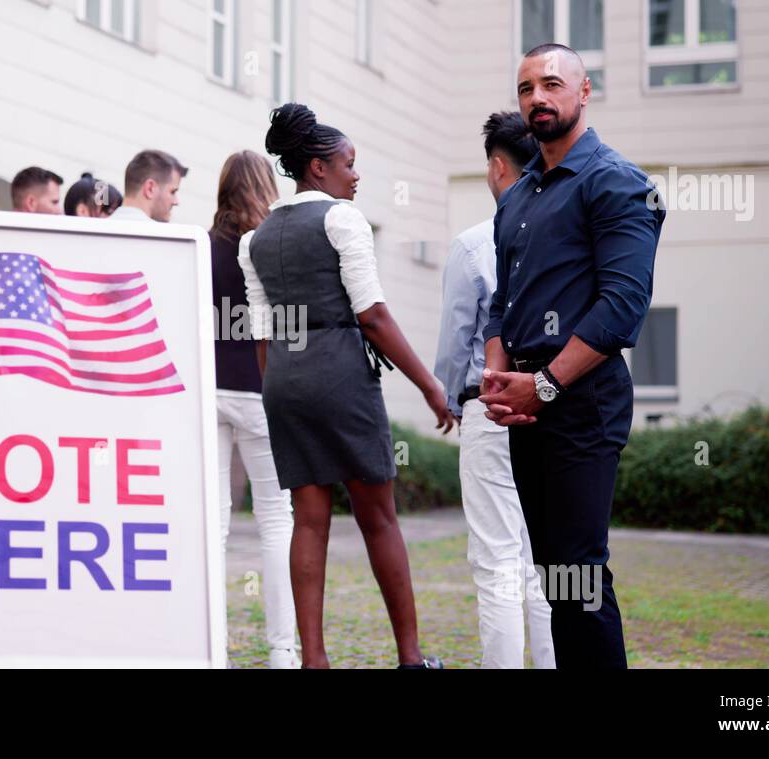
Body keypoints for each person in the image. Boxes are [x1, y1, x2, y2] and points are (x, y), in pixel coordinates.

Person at [239, 103, 456, 669]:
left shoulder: (255, 239)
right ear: (317, 168)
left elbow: (262, 335)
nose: (355, 176)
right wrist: (431, 385)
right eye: (348, 164)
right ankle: (410, 658)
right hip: (340, 373)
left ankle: (314, 660)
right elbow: (374, 316)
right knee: (377, 516)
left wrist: (280, 393)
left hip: (284, 379)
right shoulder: (342, 220)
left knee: (307, 519)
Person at [479, 44, 666, 669]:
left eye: (552, 84)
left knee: (580, 574)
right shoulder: (521, 195)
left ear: (584, 93)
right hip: (529, 406)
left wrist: (547, 385)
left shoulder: (616, 181)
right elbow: (503, 302)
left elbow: (622, 307)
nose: (537, 98)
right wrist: (503, 376)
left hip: (582, 401)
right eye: (526, 88)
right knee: (556, 574)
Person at [434, 111, 555, 669]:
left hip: (489, 405)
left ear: (498, 167)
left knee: (497, 558)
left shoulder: (472, 245)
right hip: (551, 400)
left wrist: (450, 398)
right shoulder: (564, 238)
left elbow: (456, 339)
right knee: (545, 562)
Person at [209, 151, 298, 669]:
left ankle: (213, 646)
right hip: (262, 389)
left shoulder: (202, 245)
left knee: (214, 524)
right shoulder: (272, 245)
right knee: (275, 521)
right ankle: (282, 651)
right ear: (265, 184)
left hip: (210, 391)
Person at [110, 150, 187, 222]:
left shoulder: (99, 228)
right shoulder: (166, 234)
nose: (176, 202)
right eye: (172, 192)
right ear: (150, 189)